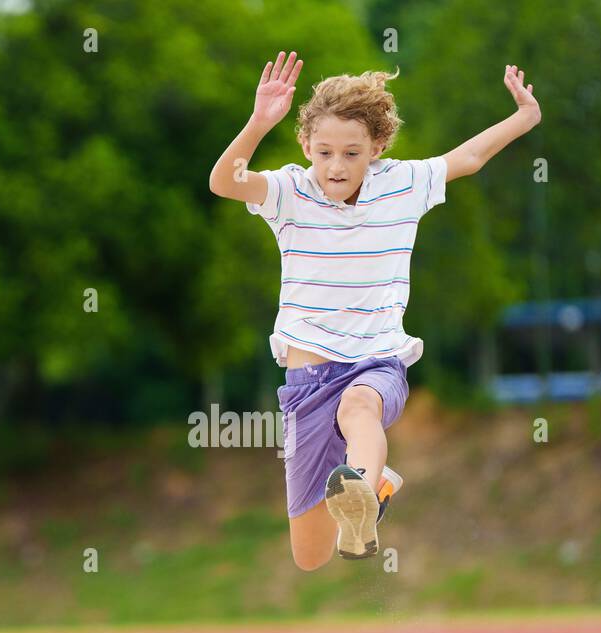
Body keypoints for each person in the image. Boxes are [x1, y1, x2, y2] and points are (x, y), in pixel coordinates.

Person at [209, 52, 540, 569]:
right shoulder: (290, 192)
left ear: (377, 148)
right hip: (307, 381)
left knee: (359, 409)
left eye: (351, 153)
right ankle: (375, 488)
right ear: (305, 147)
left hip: (375, 362)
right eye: (323, 153)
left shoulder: (401, 185)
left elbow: (469, 157)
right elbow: (225, 182)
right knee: (311, 556)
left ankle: (362, 488)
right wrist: (258, 122)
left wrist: (525, 117)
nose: (336, 167)